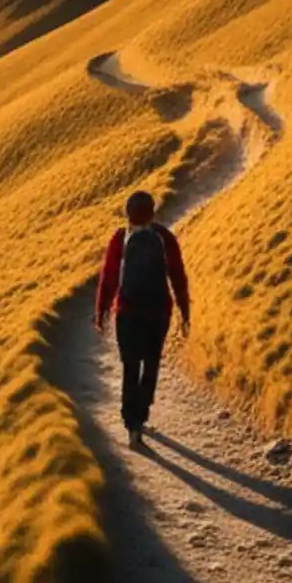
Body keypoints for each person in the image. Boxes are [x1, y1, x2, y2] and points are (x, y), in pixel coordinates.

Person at [94, 191, 190, 448]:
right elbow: (178, 275)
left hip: (127, 313)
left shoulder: (120, 238)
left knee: (130, 366)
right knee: (151, 363)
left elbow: (110, 276)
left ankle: (131, 423)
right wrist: (184, 310)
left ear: (128, 213)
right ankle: (142, 414)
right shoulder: (165, 237)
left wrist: (101, 311)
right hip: (158, 313)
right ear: (153, 212)